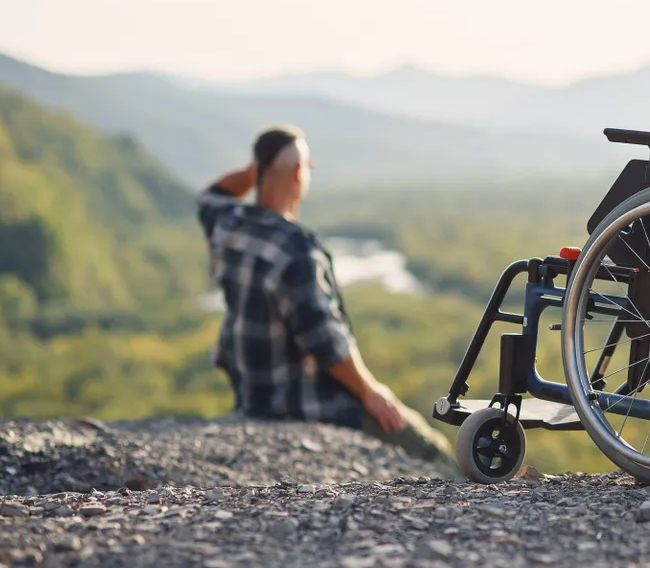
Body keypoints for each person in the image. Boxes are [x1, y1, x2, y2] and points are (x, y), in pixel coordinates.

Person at [195, 124, 460, 476]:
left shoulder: (229, 223)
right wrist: (370, 391)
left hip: (251, 396)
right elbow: (324, 339)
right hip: (304, 402)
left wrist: (257, 171)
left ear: (256, 170)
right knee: (429, 449)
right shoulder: (297, 249)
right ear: (298, 175)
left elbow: (211, 196)